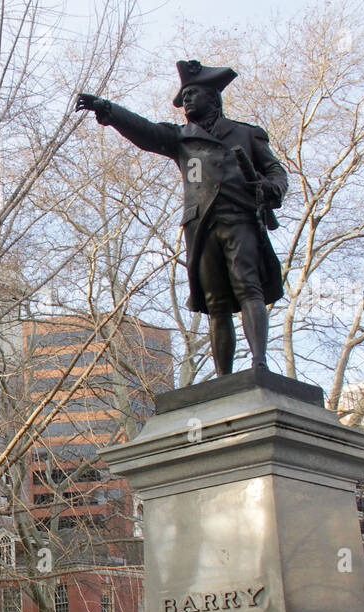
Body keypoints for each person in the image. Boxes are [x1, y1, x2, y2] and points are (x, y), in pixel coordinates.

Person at [76, 60, 288, 375]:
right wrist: (107, 109)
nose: (185, 100)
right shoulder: (180, 138)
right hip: (201, 226)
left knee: (248, 288)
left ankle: (259, 363)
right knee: (216, 304)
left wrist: (270, 189)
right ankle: (224, 379)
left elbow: (275, 171)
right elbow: (144, 130)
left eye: (192, 94)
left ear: (212, 99)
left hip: (239, 217)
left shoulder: (246, 134)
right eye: (183, 96)